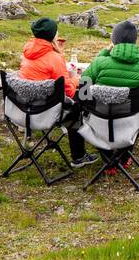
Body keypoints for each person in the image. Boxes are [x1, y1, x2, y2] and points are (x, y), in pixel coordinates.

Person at [19, 17, 96, 167]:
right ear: (52, 35)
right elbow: (67, 89)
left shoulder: (28, 50)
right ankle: (80, 154)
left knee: (80, 91)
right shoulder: (54, 57)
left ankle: (88, 125)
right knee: (84, 90)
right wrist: (78, 78)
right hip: (46, 110)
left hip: (25, 107)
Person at [79, 20, 139, 112]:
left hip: (99, 120)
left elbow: (83, 92)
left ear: (113, 41)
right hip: (133, 122)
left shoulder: (98, 63)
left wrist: (105, 51)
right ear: (135, 41)